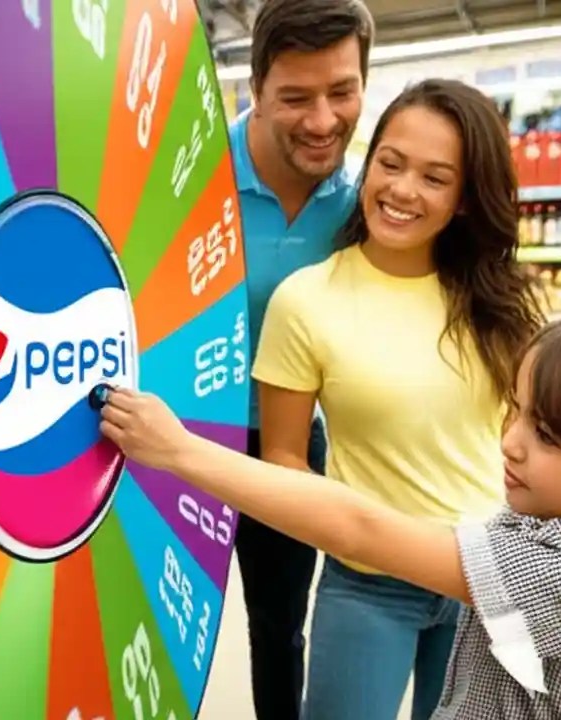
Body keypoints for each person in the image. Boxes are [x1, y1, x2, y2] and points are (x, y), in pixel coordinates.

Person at [99, 307, 561, 720]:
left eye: (548, 434)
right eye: (514, 409)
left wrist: (182, 451)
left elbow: (356, 527)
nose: (510, 440)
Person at [249, 78, 544, 719]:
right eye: (390, 163)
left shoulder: (497, 301)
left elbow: (522, 444)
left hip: (492, 578)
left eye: (436, 178)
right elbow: (284, 462)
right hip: (369, 584)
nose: (403, 190)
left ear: (466, 199)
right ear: (368, 161)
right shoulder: (306, 299)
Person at [226, 1, 373, 718]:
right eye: (295, 97)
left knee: (279, 630)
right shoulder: (190, 178)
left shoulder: (365, 209)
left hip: (285, 444)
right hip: (161, 432)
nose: (322, 120)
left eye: (341, 91)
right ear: (254, 87)